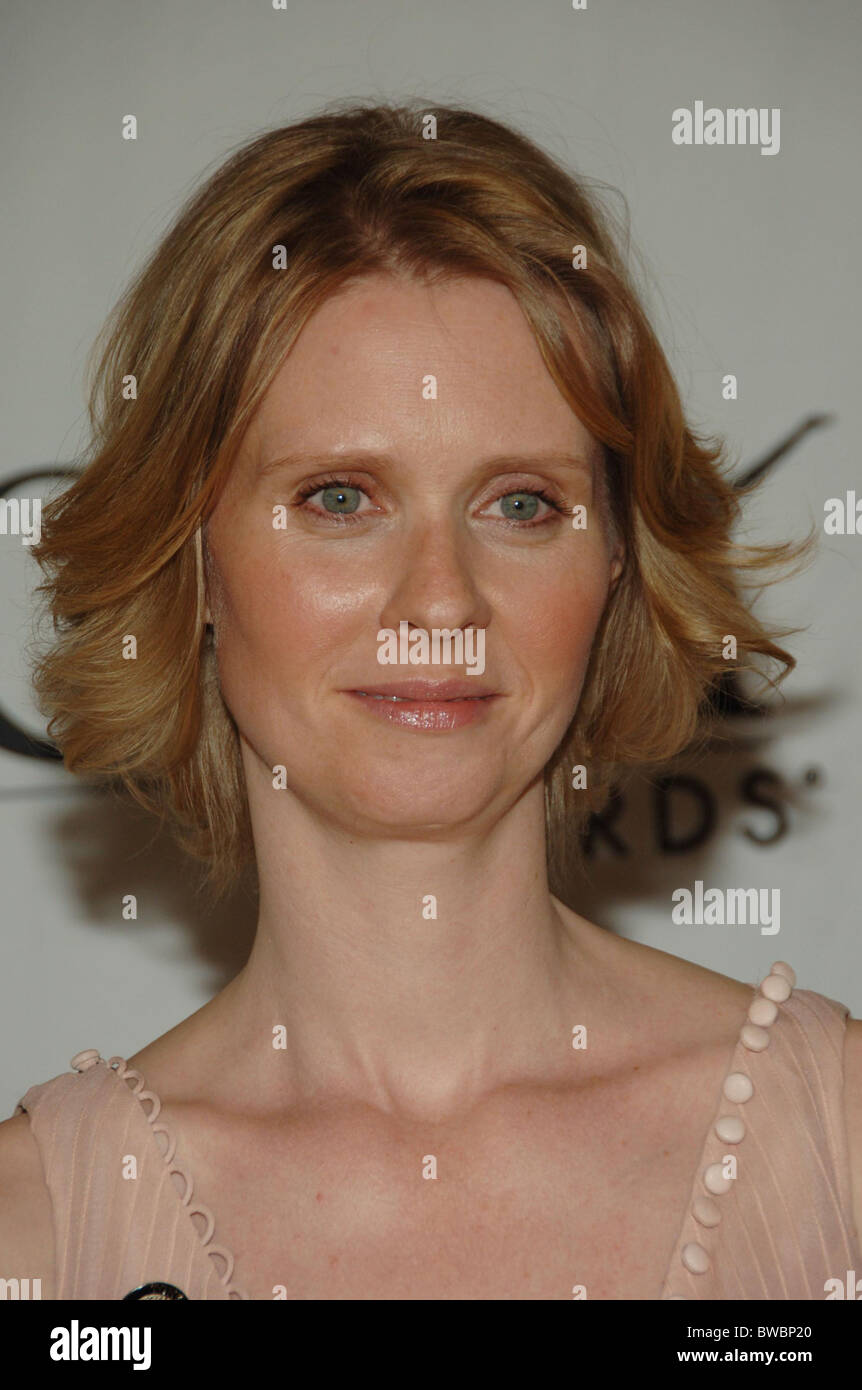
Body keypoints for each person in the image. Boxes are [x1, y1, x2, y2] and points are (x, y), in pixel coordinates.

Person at [1, 99, 859, 1301]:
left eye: (519, 504)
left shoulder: (841, 1153)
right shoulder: (34, 1238)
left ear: (616, 562)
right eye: (341, 498)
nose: (438, 602)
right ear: (187, 558)